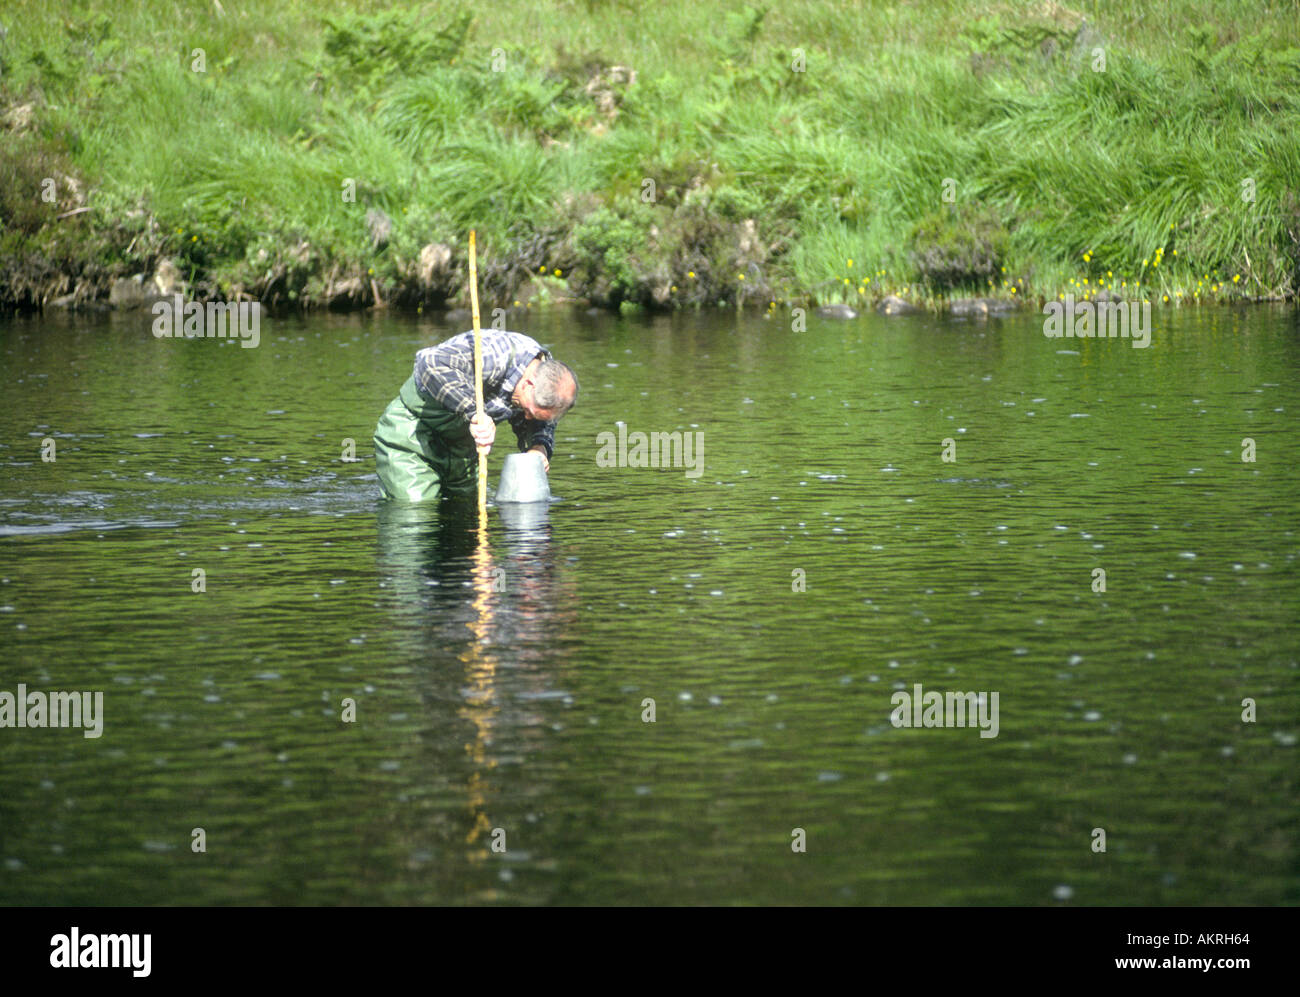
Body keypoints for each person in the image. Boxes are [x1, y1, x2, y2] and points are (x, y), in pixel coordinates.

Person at [373, 329, 578, 502]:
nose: (528, 418)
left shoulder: (547, 376)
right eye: (529, 412)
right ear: (527, 385)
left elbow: (542, 419)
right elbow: (429, 363)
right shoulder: (492, 355)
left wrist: (539, 445)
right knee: (416, 514)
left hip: (463, 449)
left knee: (466, 519)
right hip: (412, 435)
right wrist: (474, 411)